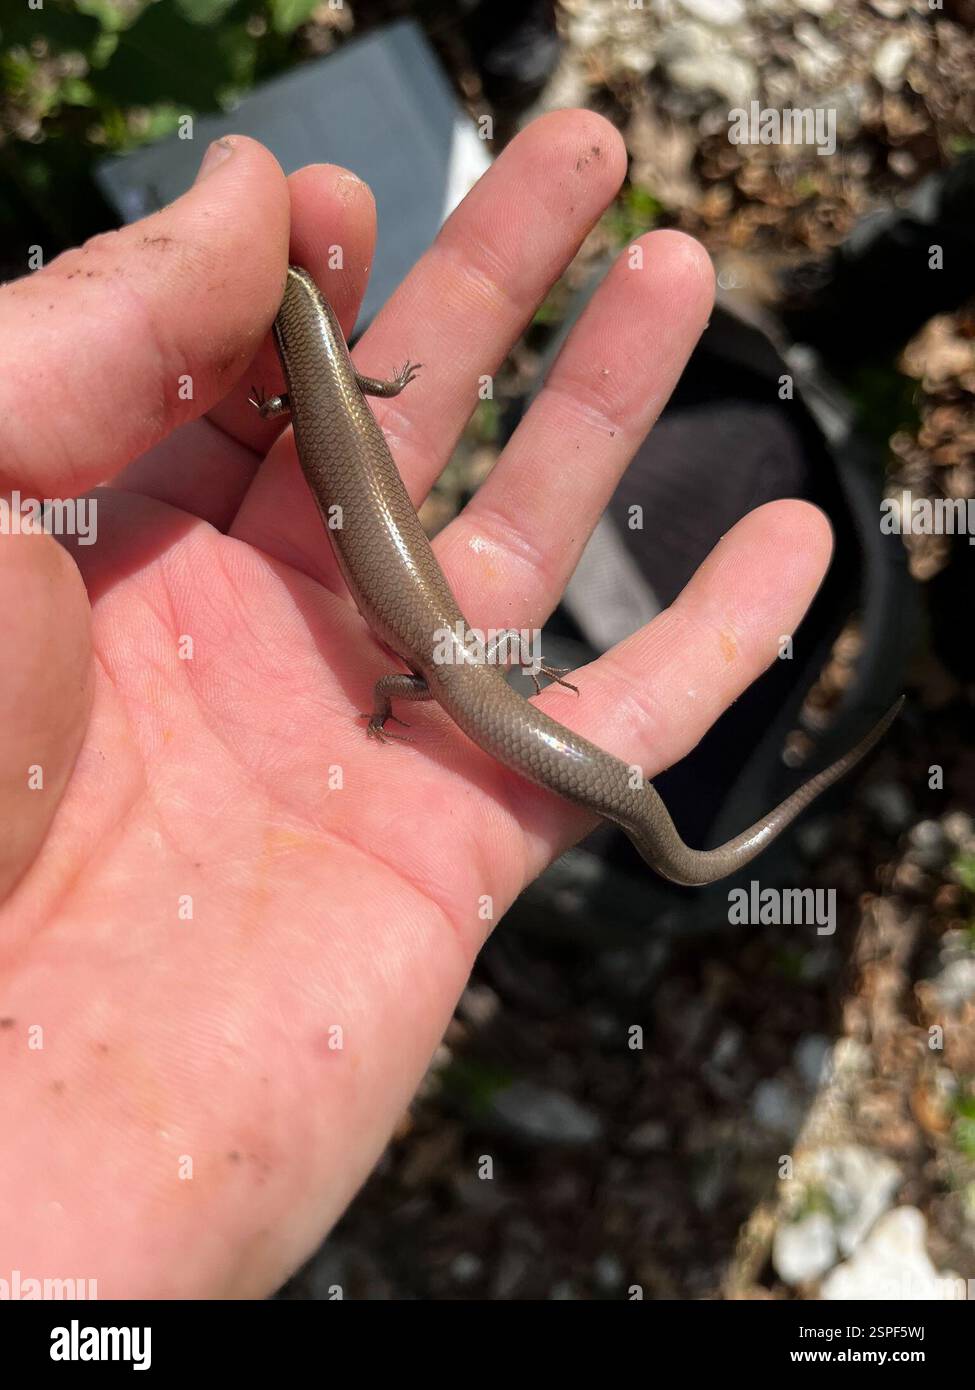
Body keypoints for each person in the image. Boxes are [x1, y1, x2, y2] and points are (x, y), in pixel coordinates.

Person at [0, 109, 835, 1297]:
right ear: (322, 348)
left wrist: (395, 707)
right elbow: (342, 384)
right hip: (432, 641)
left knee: (446, 679)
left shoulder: (298, 381)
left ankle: (648, 820)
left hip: (429, 655)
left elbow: (309, 396)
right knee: (453, 675)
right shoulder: (330, 366)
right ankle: (646, 820)